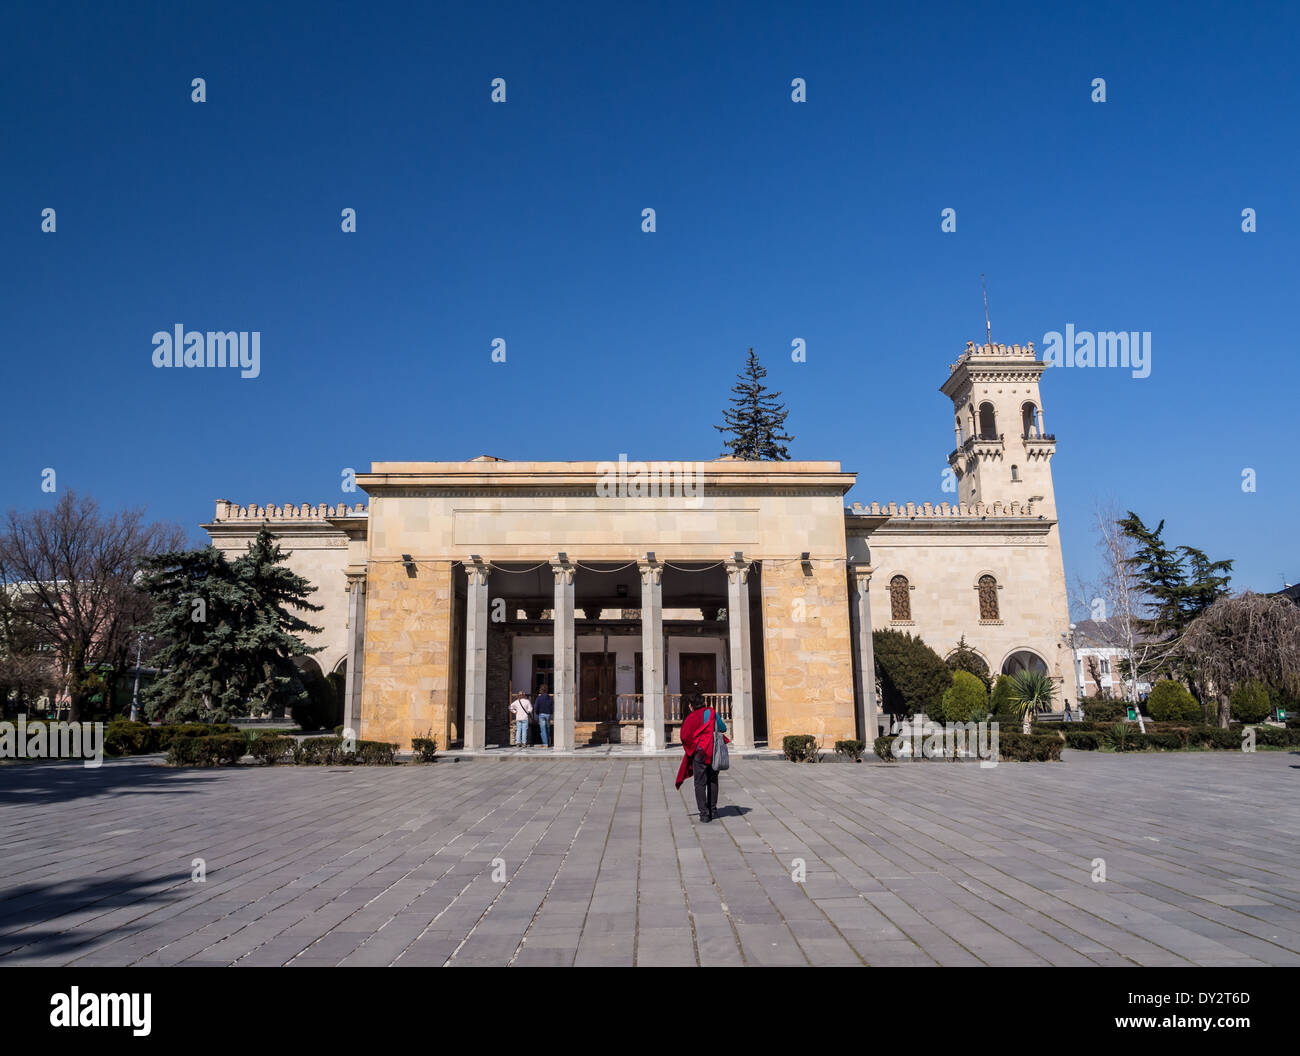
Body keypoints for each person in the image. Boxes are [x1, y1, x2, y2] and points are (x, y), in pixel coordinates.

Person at [674, 696, 728, 823]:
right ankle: (713, 810)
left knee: (700, 782)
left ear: (691, 706)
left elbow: (684, 736)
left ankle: (704, 814)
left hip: (700, 752)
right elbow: (723, 728)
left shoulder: (691, 718)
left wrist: (693, 748)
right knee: (713, 780)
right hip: (713, 751)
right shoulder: (712, 713)